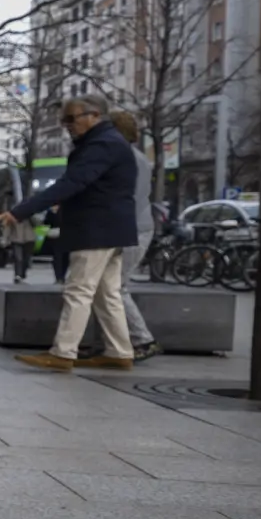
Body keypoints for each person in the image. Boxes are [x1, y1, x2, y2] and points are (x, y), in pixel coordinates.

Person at [0, 97, 139, 372]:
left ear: (94, 115)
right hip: (111, 229)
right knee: (107, 293)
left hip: (96, 228)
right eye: (64, 120)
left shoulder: (102, 145)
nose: (66, 126)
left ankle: (63, 353)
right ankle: (120, 351)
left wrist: (20, 211)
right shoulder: (109, 142)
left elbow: (71, 183)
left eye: (71, 119)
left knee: (79, 290)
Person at [108, 110, 161, 360]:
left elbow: (128, 197)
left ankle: (143, 339)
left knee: (115, 286)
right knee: (109, 286)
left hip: (133, 229)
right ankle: (114, 342)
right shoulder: (133, 156)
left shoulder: (128, 158)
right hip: (133, 227)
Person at [1, 212, 33, 282]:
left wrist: (32, 215)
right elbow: (8, 228)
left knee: (26, 259)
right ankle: (17, 275)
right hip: (16, 239)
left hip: (29, 239)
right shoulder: (12, 215)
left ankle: (22, 273)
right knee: (18, 258)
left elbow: (38, 223)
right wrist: (4, 238)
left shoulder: (31, 215)